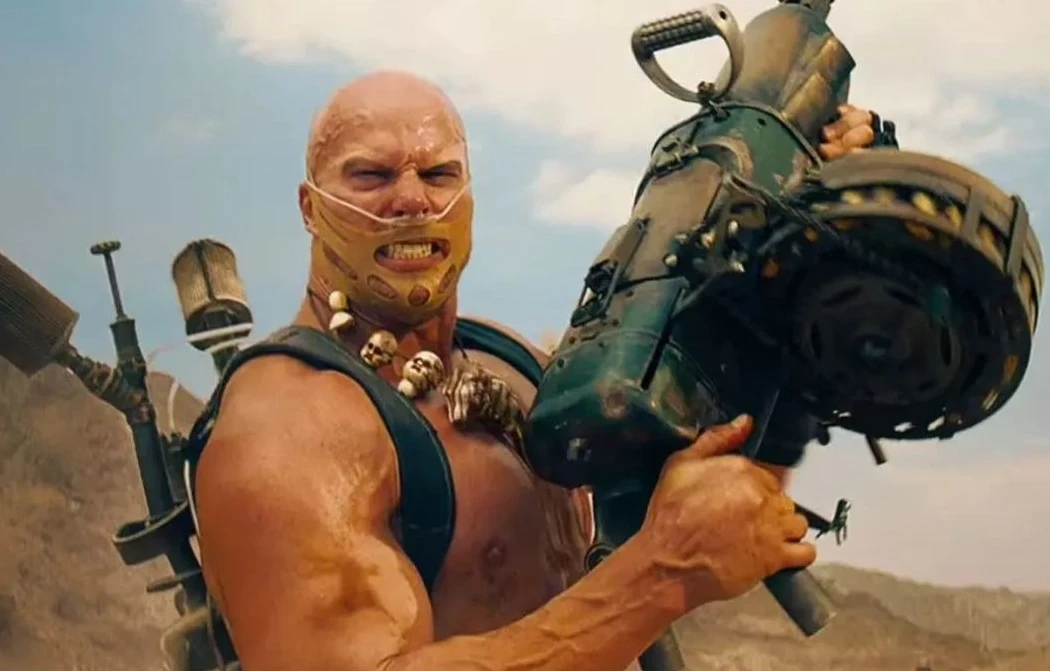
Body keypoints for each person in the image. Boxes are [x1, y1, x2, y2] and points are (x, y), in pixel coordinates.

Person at [189, 70, 883, 671]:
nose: (411, 200)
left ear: (469, 197)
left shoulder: (510, 361)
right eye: (371, 175)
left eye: (438, 174)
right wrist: (660, 574)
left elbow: (726, 497)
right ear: (310, 207)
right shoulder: (285, 429)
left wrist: (823, 226)